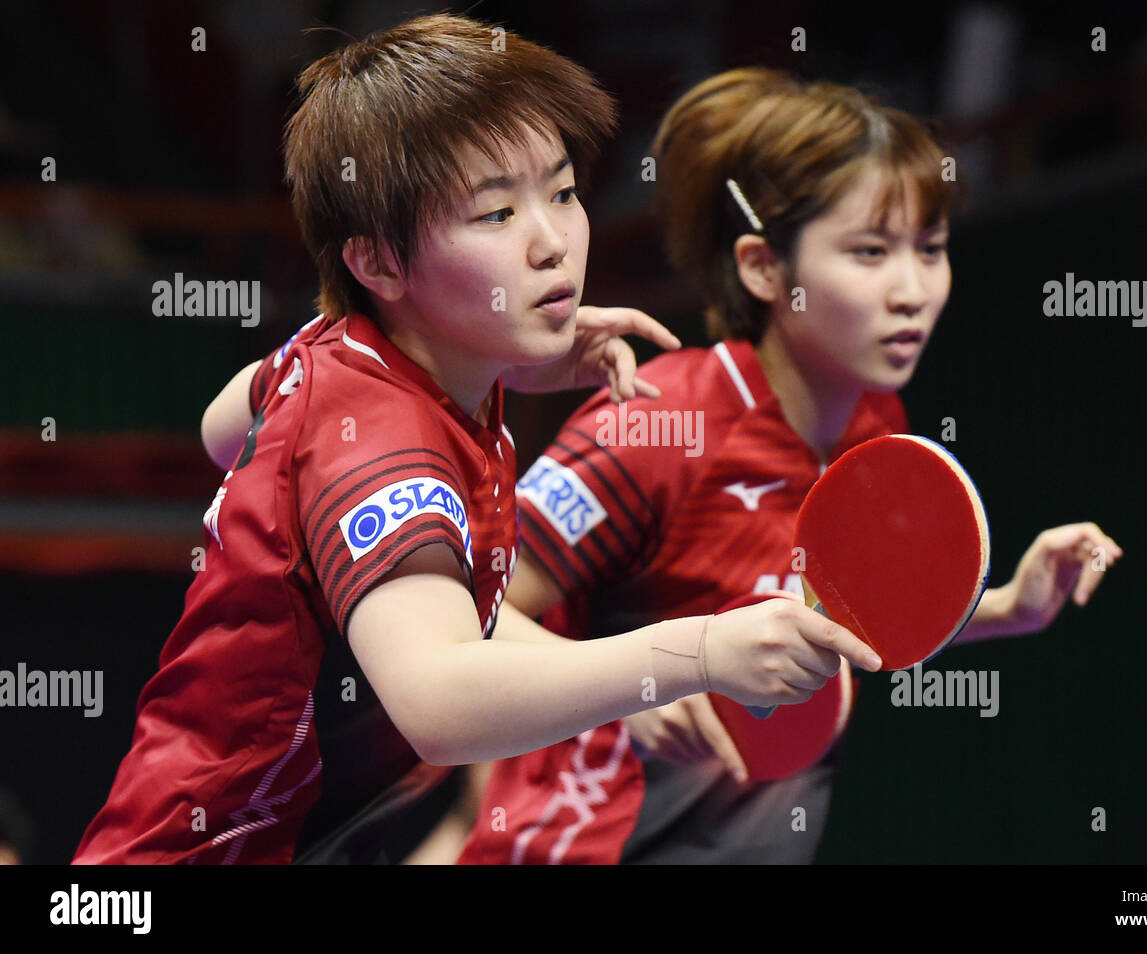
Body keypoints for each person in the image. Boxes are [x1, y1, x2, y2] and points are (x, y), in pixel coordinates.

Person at [73, 24, 878, 866]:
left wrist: (495, 359)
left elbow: (220, 426)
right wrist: (701, 653)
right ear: (379, 264)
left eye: (562, 194)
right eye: (497, 211)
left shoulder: (340, 355)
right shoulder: (380, 443)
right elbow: (442, 702)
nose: (550, 240)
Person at [445, 67, 1125, 864]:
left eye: (930, 250)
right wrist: (629, 689)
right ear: (766, 269)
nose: (912, 290)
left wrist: (1010, 606)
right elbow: (468, 617)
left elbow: (837, 623)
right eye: (869, 252)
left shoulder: (876, 435)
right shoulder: (664, 424)